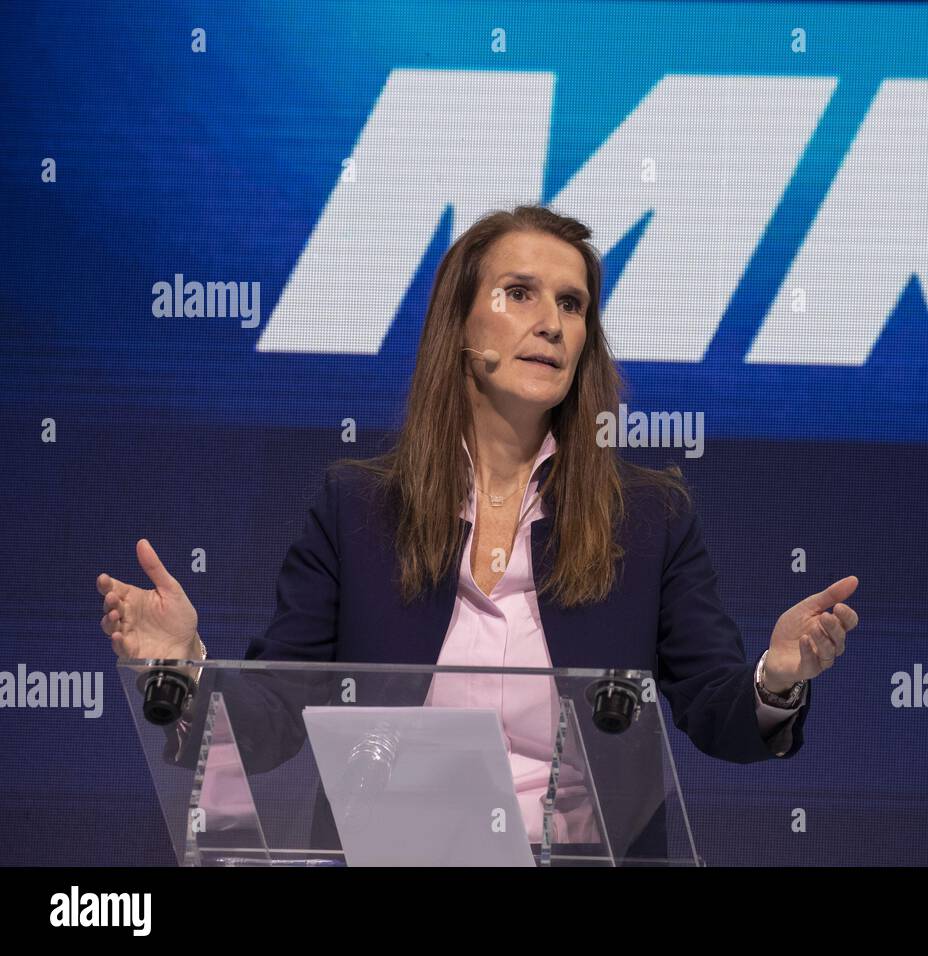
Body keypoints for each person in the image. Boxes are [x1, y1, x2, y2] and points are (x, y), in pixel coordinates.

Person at [97, 204, 860, 850]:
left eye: (571, 304)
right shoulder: (356, 509)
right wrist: (183, 666)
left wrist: (777, 678)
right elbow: (274, 722)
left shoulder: (651, 517)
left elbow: (715, 710)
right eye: (520, 293)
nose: (552, 324)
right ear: (460, 325)